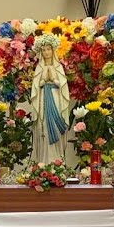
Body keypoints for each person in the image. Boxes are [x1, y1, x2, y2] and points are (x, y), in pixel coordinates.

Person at [31, 35, 72, 163]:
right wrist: (43, 79)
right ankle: (44, 161)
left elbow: (62, 86)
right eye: (43, 50)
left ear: (52, 50)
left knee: (54, 126)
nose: (46, 52)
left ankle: (57, 161)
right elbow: (36, 87)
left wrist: (53, 78)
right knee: (43, 127)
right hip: (43, 99)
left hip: (55, 99)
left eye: (48, 49)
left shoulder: (59, 67)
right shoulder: (39, 68)